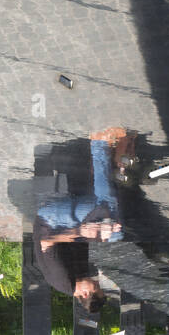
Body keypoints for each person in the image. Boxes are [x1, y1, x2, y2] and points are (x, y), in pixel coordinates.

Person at [33, 127, 129, 309]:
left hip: (50, 220)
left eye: (96, 287)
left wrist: (82, 230)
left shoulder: (62, 279)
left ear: (85, 294)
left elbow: (46, 242)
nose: (96, 282)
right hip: (65, 226)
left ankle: (99, 144)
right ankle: (116, 161)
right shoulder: (78, 277)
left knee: (105, 206)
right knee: (115, 230)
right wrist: (102, 233)